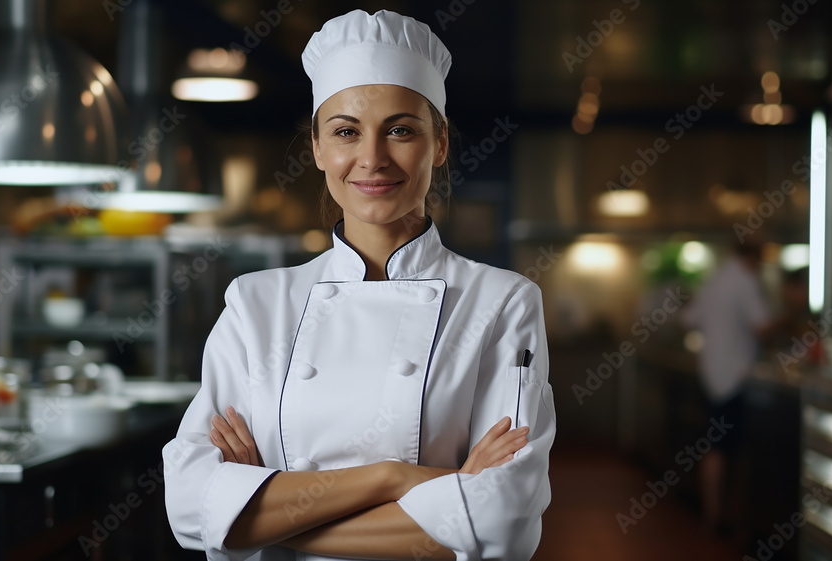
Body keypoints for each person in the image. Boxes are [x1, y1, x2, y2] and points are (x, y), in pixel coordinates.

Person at [162, 9, 555, 561]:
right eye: (346, 131)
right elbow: (188, 505)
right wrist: (395, 478)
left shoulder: (502, 301)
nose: (372, 158)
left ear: (439, 144)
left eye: (400, 130)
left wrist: (253, 519)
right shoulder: (256, 303)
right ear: (319, 149)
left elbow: (505, 521)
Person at [682, 239, 774, 534]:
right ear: (754, 259)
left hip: (711, 374)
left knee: (714, 444)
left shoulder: (715, 279)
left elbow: (688, 319)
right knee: (725, 448)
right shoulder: (744, 281)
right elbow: (761, 326)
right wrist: (791, 319)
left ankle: (713, 512)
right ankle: (722, 516)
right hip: (733, 377)